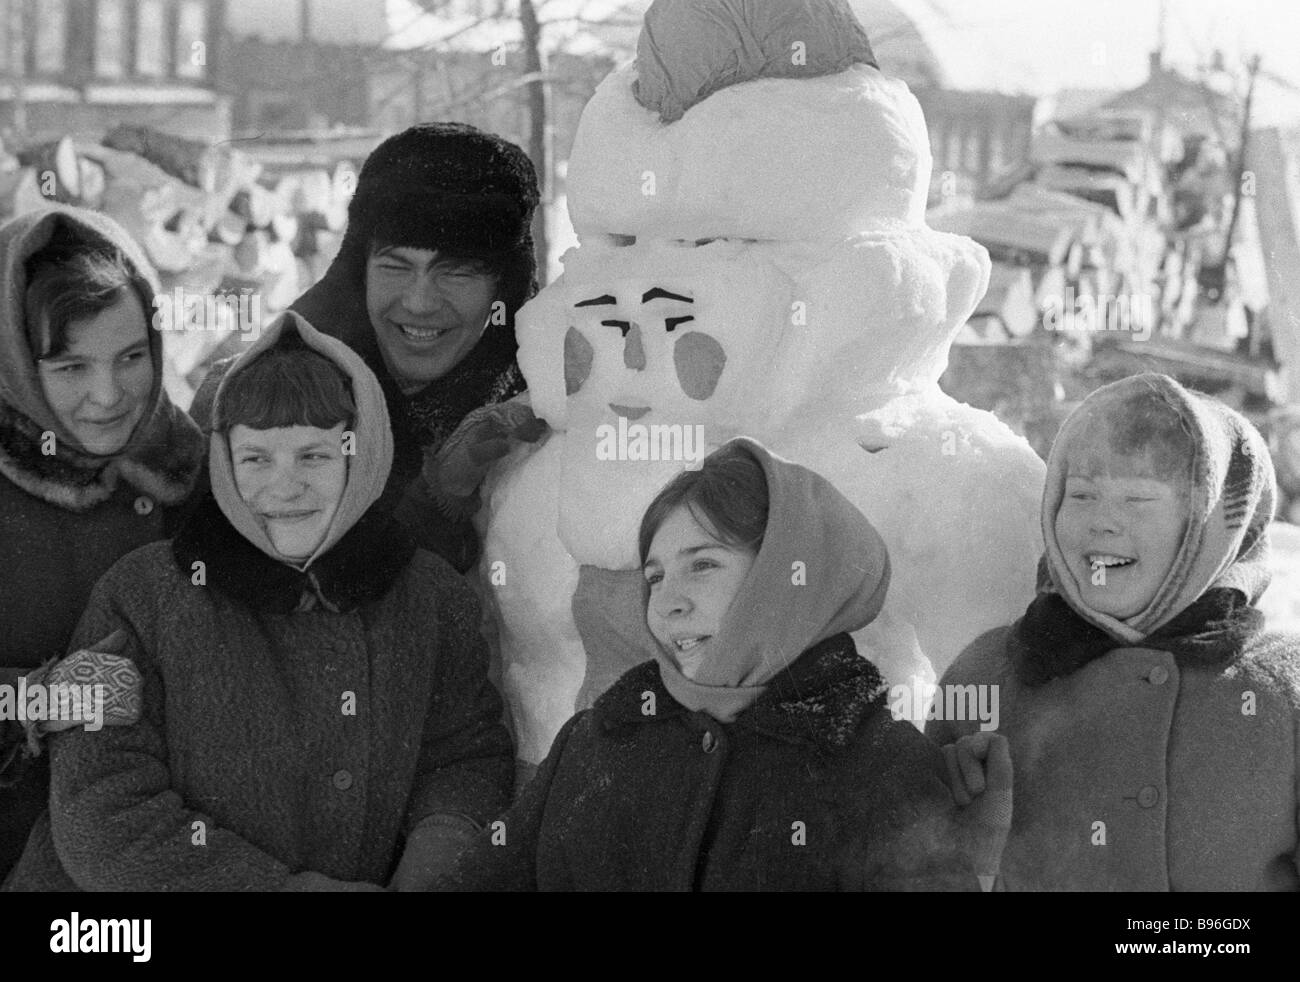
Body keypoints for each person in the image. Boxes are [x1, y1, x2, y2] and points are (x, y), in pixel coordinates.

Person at [3, 312, 514, 891]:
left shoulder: (428, 597)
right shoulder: (142, 597)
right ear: (224, 461)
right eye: (256, 458)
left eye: (314, 456)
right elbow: (103, 815)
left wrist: (435, 868)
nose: (283, 485)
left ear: (363, 453)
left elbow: (464, 756)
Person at [429, 438, 1011, 891]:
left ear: (788, 573)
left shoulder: (884, 771)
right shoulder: (596, 740)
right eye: (655, 576)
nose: (669, 601)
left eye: (702, 566)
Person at [928, 372, 1300, 891]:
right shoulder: (987, 676)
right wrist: (966, 853)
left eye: (1138, 501)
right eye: (1080, 495)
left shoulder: (1282, 694)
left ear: (1214, 525)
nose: (1103, 522)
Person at [193, 122, 546, 573]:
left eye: (456, 273)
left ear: (505, 286)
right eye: (395, 266)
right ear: (358, 270)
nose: (419, 302)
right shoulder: (240, 400)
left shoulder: (541, 422)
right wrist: (438, 496)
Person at [0, 207, 204, 881]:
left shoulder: (184, 462)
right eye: (70, 367)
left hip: (157, 842)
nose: (108, 396)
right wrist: (40, 700)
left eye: (131, 357)